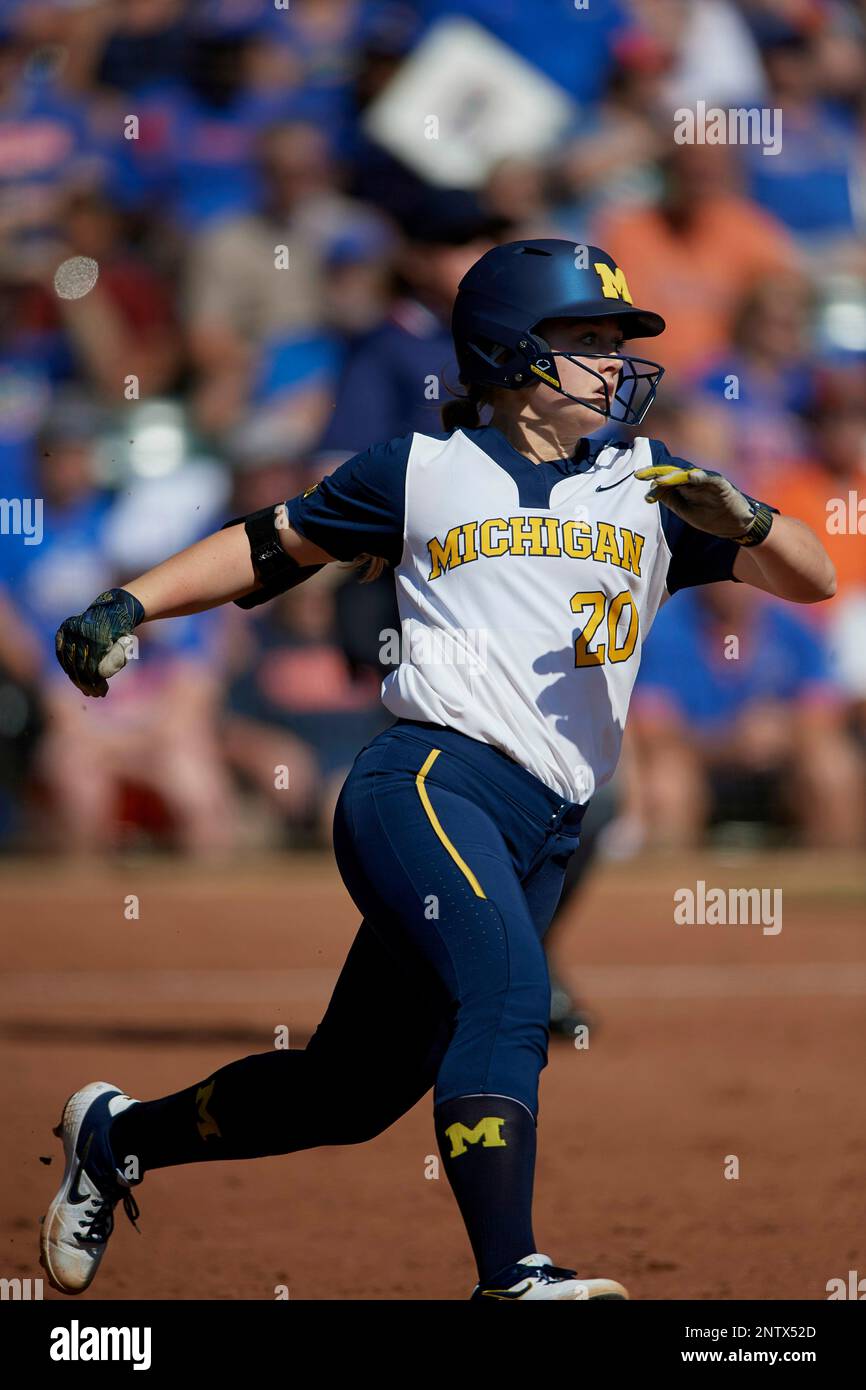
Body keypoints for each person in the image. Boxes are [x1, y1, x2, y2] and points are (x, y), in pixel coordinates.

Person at [42, 240, 835, 1301]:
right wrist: (130, 602)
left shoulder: (652, 487)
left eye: (615, 342)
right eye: (587, 341)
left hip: (546, 822)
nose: (613, 362)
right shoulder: (420, 469)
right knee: (508, 998)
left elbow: (814, 576)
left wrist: (745, 518)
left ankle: (118, 1137)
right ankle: (509, 1275)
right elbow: (268, 546)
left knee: (349, 1091)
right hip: (425, 781)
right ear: (512, 352)